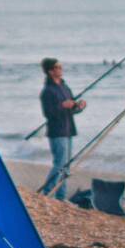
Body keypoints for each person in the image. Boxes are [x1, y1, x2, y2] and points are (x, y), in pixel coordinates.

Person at [37, 57, 85, 201]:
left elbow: (72, 110)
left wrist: (79, 107)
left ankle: (60, 196)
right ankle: (46, 193)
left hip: (69, 130)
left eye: (60, 67)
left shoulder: (65, 87)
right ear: (51, 71)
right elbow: (48, 113)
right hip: (57, 132)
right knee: (60, 164)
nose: (61, 69)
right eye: (58, 67)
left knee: (66, 167)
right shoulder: (47, 91)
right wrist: (62, 106)